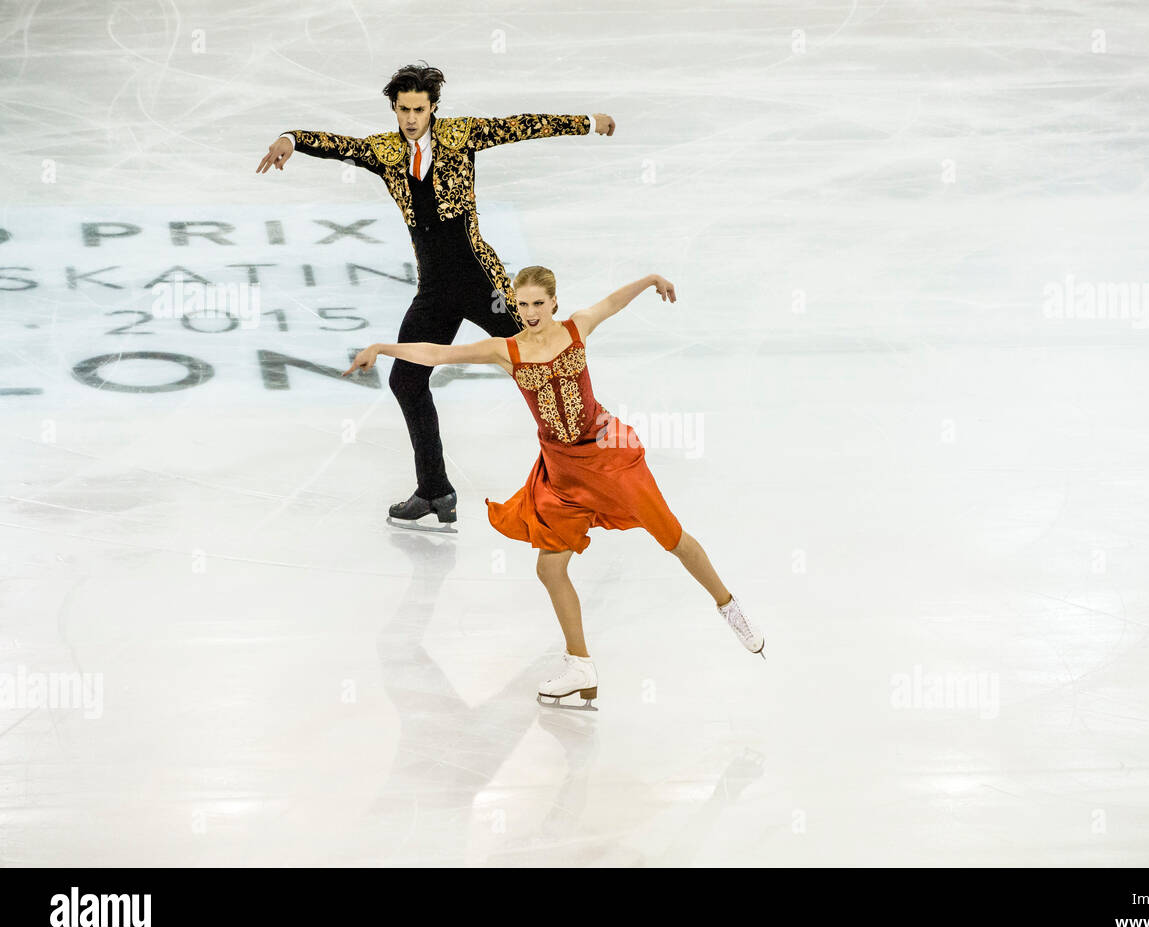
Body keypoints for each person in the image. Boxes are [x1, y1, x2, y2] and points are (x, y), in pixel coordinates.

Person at [343, 266, 767, 707]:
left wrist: (651, 280)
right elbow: (437, 354)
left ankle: (729, 607)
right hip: (562, 469)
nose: (529, 312)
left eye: (537, 304)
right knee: (550, 568)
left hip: (607, 453)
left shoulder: (576, 327)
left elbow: (612, 302)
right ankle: (580, 663)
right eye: (522, 304)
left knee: (673, 537)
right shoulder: (504, 350)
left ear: (553, 303)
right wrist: (382, 347)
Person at [256, 61, 615, 531]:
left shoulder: (461, 135)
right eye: (403, 109)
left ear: (433, 108)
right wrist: (292, 139)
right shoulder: (384, 150)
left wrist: (587, 123)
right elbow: (339, 145)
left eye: (418, 109)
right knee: (406, 381)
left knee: (544, 366)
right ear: (394, 108)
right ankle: (435, 489)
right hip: (435, 291)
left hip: (481, 284)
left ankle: (598, 462)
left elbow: (521, 127)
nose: (410, 119)